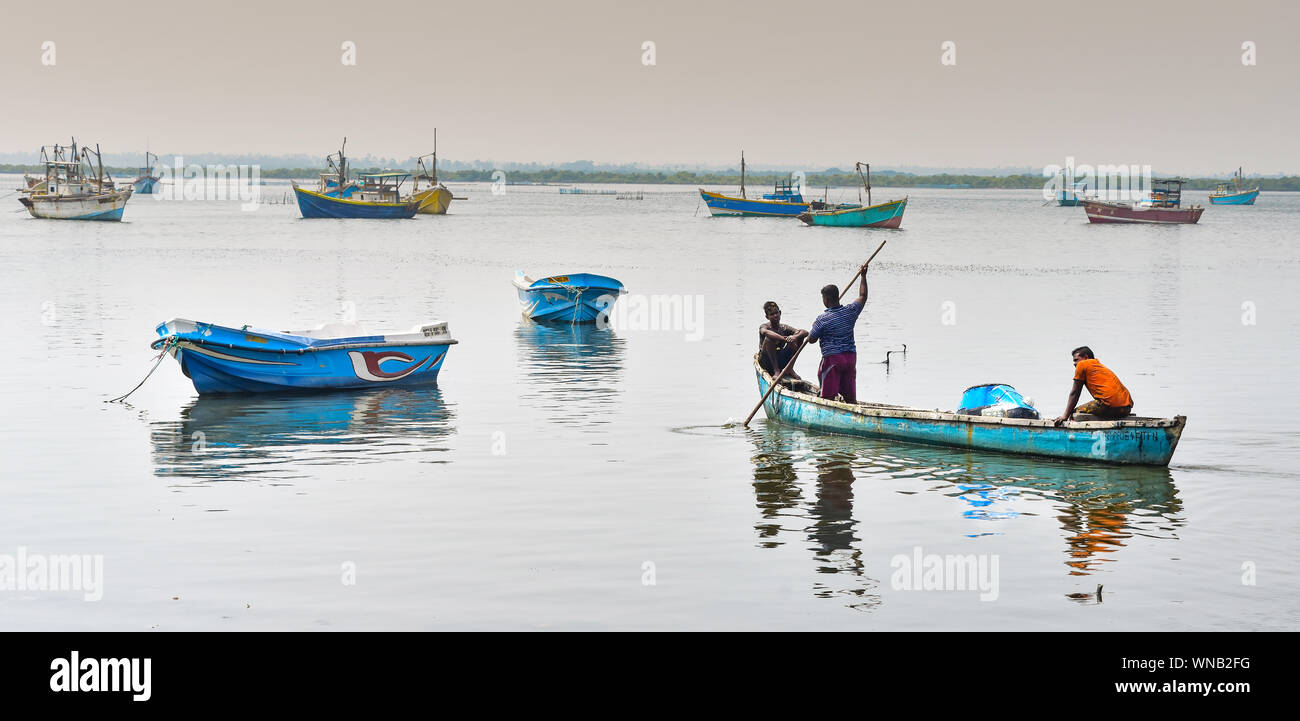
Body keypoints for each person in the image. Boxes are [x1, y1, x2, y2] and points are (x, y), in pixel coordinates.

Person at [807, 263, 870, 402]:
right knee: (850, 398)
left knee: (828, 397)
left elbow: (811, 339)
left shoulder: (822, 319)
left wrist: (813, 326)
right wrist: (863, 277)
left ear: (827, 300)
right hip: (850, 358)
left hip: (833, 360)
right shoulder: (850, 311)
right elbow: (863, 295)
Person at [1053, 346, 1134, 425]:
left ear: (1086, 357)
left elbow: (1075, 392)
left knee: (1075, 412)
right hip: (1126, 408)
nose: (1074, 364)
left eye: (1076, 360)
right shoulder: (1098, 366)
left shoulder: (1082, 365)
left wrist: (1065, 416)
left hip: (1108, 406)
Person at [758, 301, 807, 380]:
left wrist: (795, 337)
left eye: (776, 313)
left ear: (780, 313)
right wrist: (784, 339)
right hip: (766, 361)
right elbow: (765, 332)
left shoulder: (784, 327)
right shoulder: (764, 326)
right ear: (767, 317)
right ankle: (776, 370)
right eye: (772, 314)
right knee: (769, 339)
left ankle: (789, 368)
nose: (775, 316)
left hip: (780, 359)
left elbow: (804, 332)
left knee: (799, 337)